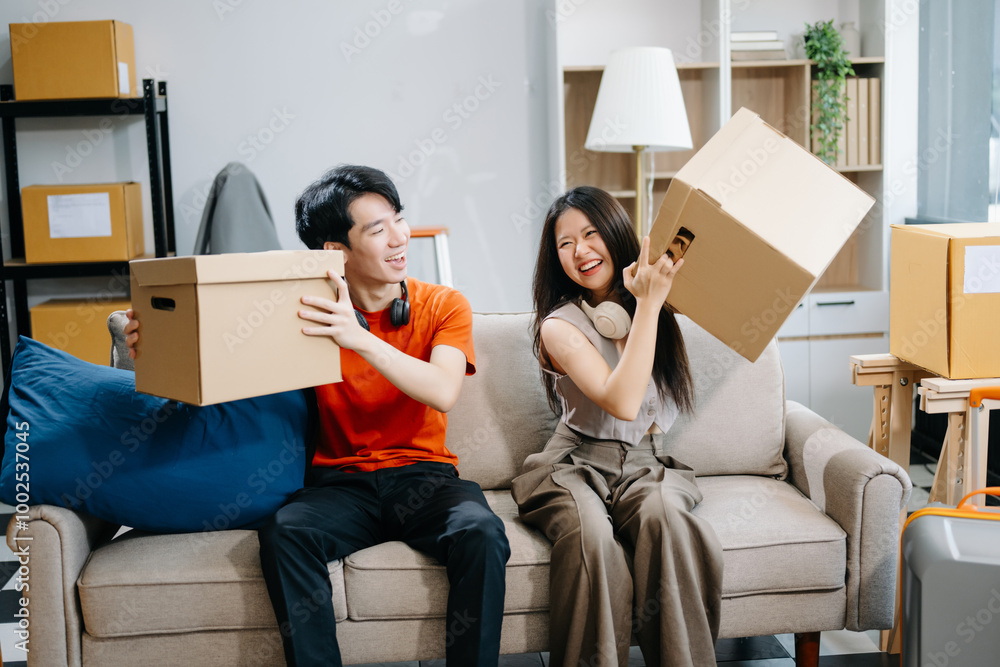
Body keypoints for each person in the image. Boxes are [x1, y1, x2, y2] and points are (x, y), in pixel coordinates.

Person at [124, 165, 510, 667]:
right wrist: (155, 342)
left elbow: (442, 391)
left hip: (426, 478)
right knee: (285, 533)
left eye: (398, 219)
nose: (399, 238)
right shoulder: (300, 313)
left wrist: (359, 338)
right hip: (339, 485)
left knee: (481, 532)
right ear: (335, 251)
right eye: (377, 229)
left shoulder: (443, 304)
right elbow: (217, 365)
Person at [511, 186, 723, 667]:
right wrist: (648, 306)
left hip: (647, 463)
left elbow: (736, 296)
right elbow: (622, 401)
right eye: (565, 244)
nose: (580, 251)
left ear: (615, 233)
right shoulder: (558, 326)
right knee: (591, 538)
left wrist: (655, 291)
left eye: (590, 234)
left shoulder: (657, 298)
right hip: (574, 462)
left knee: (667, 520)